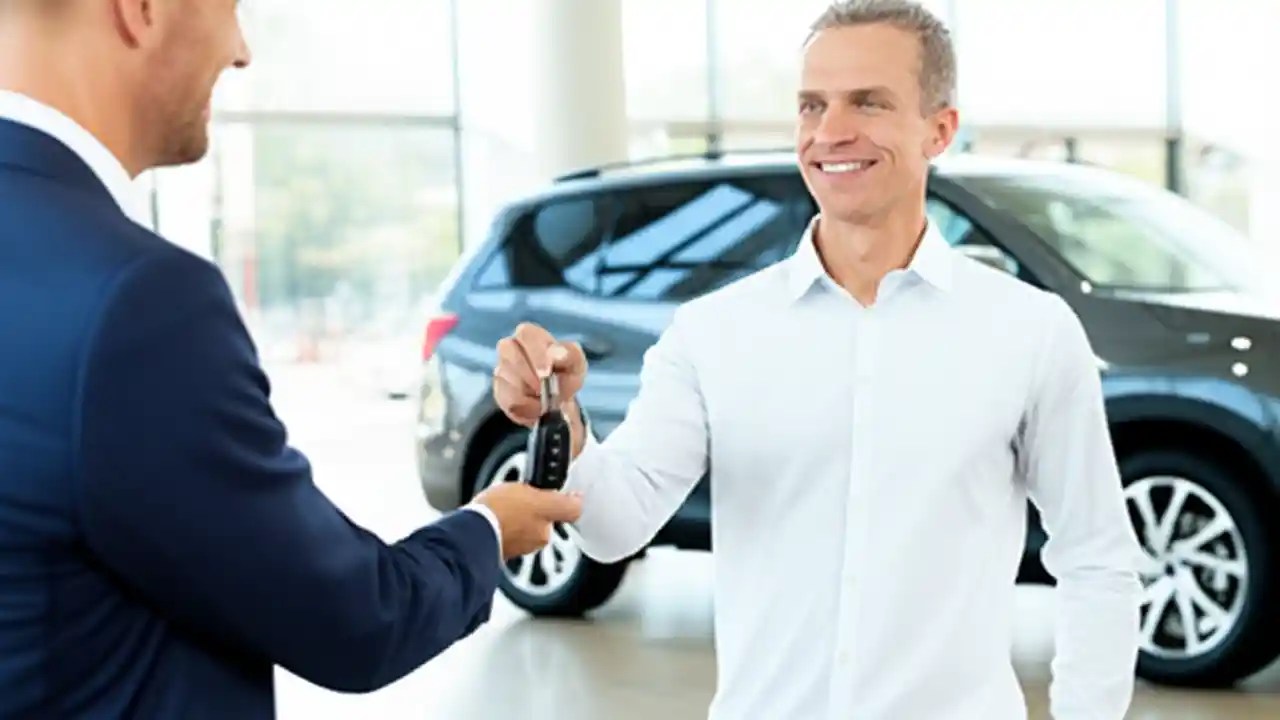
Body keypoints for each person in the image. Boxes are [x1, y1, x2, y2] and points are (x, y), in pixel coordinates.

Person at [494, 1, 1145, 718]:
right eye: (812, 105)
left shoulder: (1030, 332)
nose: (830, 132)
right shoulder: (714, 332)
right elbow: (617, 525)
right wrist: (563, 422)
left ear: (939, 129)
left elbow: (1097, 561)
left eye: (868, 102)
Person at [0, 1, 581, 718]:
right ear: (141, 9)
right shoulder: (138, 300)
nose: (240, 50)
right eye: (230, 7)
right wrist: (488, 530)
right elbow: (356, 619)